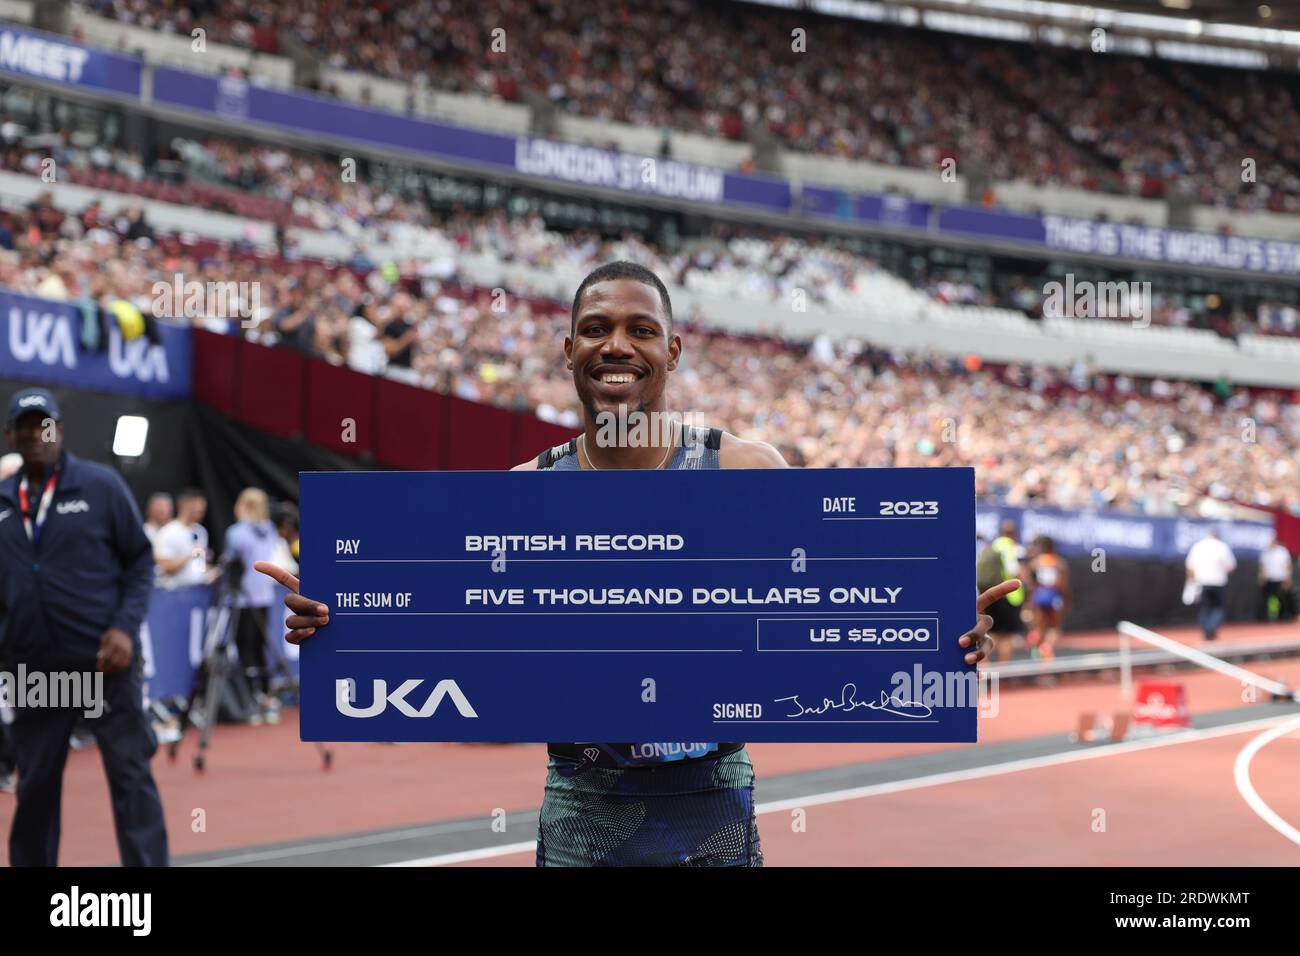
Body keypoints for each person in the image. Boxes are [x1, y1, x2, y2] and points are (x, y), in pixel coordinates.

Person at [255, 261, 1017, 867]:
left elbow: (847, 606)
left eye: (639, 329)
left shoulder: (746, 470)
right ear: (569, 352)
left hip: (713, 808)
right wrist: (340, 625)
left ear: (672, 350)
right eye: (595, 329)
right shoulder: (526, 493)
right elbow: (450, 636)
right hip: (583, 812)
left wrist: (940, 638)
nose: (616, 345)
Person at [0, 387, 168, 865]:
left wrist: (123, 629)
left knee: (130, 778)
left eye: (44, 424)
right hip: (36, 673)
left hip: (104, 663)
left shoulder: (101, 486)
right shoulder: (3, 501)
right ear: (10, 434)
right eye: (26, 426)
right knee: (34, 787)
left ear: (60, 430)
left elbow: (140, 562)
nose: (36, 434)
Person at [222, 488, 282, 724]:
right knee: (259, 647)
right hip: (264, 597)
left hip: (243, 598)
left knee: (245, 649)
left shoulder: (237, 533)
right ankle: (266, 696)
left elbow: (229, 561)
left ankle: (249, 700)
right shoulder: (270, 530)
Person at [980, 519, 1025, 660]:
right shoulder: (1009, 546)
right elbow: (1014, 571)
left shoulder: (993, 545)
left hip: (989, 594)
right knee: (1007, 636)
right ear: (1015, 534)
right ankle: (1002, 675)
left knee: (992, 633)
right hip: (1008, 597)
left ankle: (982, 668)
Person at [1185, 529, 1236, 641]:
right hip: (1218, 582)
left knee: (1205, 608)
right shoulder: (1222, 547)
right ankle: (1211, 628)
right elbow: (1231, 566)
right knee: (1219, 608)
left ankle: (1206, 630)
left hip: (1202, 582)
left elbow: (1190, 567)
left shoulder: (1198, 546)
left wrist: (1191, 581)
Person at [153, 488, 211, 586]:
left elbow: (199, 566)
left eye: (202, 510)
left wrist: (210, 571)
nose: (200, 512)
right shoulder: (168, 532)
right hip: (175, 591)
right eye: (196, 509)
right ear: (184, 506)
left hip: (199, 590)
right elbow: (164, 568)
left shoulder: (201, 531)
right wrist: (190, 555)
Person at [1025, 536, 1070, 660]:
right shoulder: (1059, 562)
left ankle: (1037, 649)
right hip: (1053, 594)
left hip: (1039, 594)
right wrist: (1066, 601)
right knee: (1054, 627)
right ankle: (1046, 648)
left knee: (1039, 626)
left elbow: (1030, 584)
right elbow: (1063, 585)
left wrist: (1029, 603)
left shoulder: (1035, 562)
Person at [1258, 535, 1294, 622]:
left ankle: (1284, 616)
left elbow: (1288, 565)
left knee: (1282, 598)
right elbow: (1262, 566)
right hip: (1269, 579)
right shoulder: (1265, 552)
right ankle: (1270, 616)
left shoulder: (1282, 551)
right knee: (1269, 599)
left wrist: (1288, 577)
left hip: (1280, 578)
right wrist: (1261, 577)